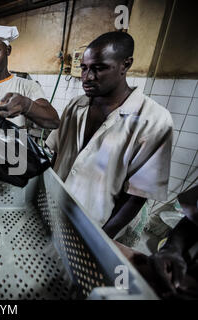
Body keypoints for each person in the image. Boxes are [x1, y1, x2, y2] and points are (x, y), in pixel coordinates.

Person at [45, 31, 174, 239]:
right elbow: (56, 157)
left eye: (99, 68)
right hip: (50, 210)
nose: (87, 77)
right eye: (84, 68)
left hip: (91, 227)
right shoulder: (76, 106)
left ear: (125, 65)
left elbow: (136, 197)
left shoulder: (154, 120)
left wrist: (101, 239)